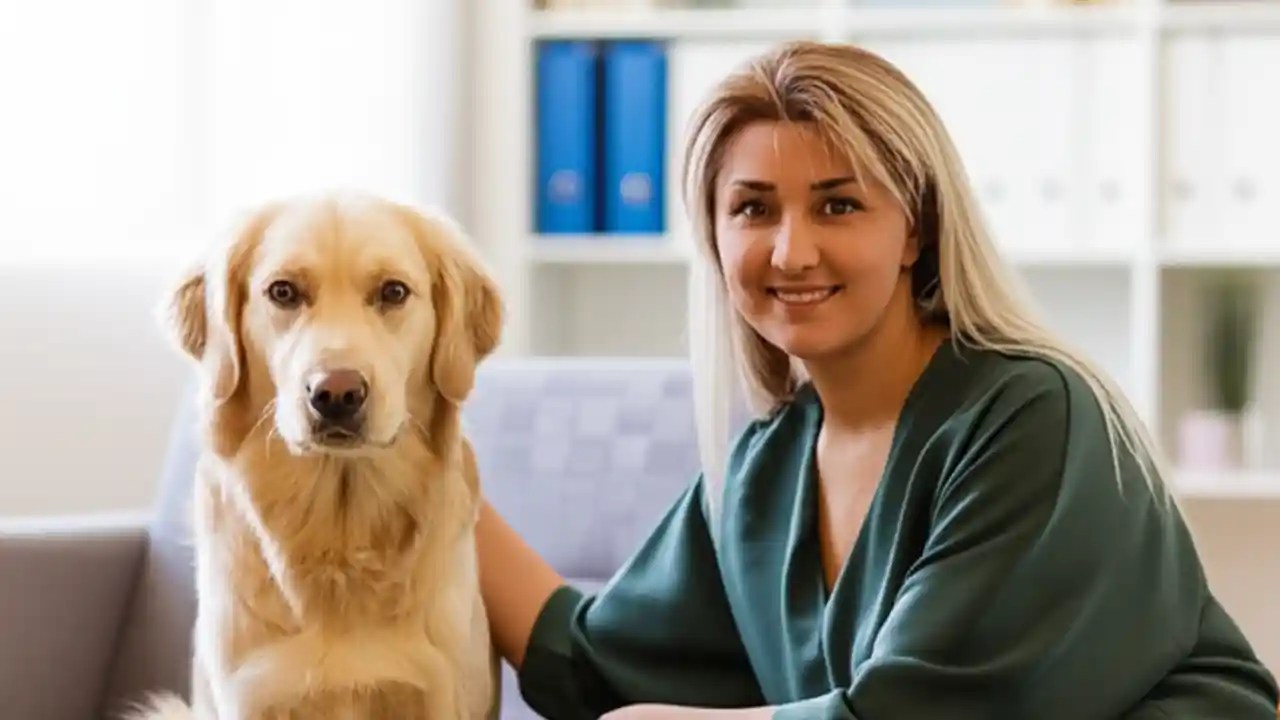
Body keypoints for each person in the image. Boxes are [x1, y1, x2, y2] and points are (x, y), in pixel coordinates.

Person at [475, 40, 1280, 719]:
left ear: (915, 230)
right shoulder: (765, 468)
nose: (790, 252)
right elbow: (593, 668)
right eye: (753, 210)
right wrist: (425, 469)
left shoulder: (1034, 418)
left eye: (837, 207)